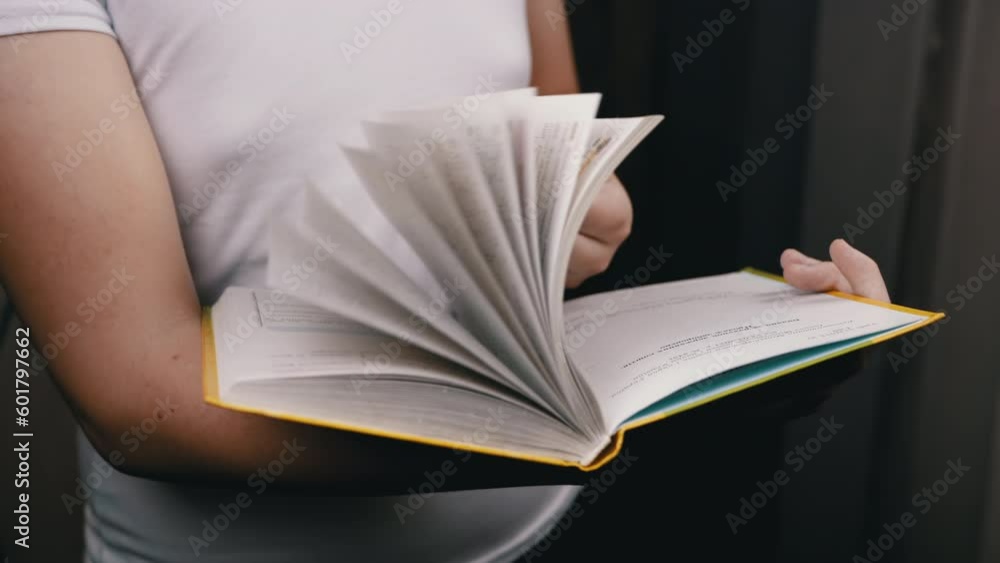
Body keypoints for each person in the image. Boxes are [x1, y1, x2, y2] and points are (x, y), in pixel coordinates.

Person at [0, 1, 890, 561]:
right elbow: (139, 393)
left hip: (536, 532)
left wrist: (582, 226)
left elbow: (552, 152)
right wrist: (614, 427)